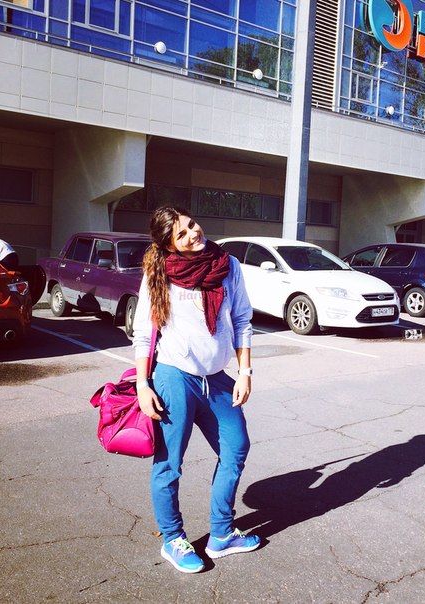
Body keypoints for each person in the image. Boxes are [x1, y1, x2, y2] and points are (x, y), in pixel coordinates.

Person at [132, 206, 259, 574]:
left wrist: (245, 372)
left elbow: (241, 320)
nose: (193, 234)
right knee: (169, 462)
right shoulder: (159, 272)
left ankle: (222, 533)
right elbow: (143, 332)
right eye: (182, 235)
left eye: (191, 225)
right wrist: (143, 384)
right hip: (175, 376)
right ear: (169, 246)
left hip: (217, 377)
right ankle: (173, 539)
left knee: (236, 447)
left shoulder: (227, 265)